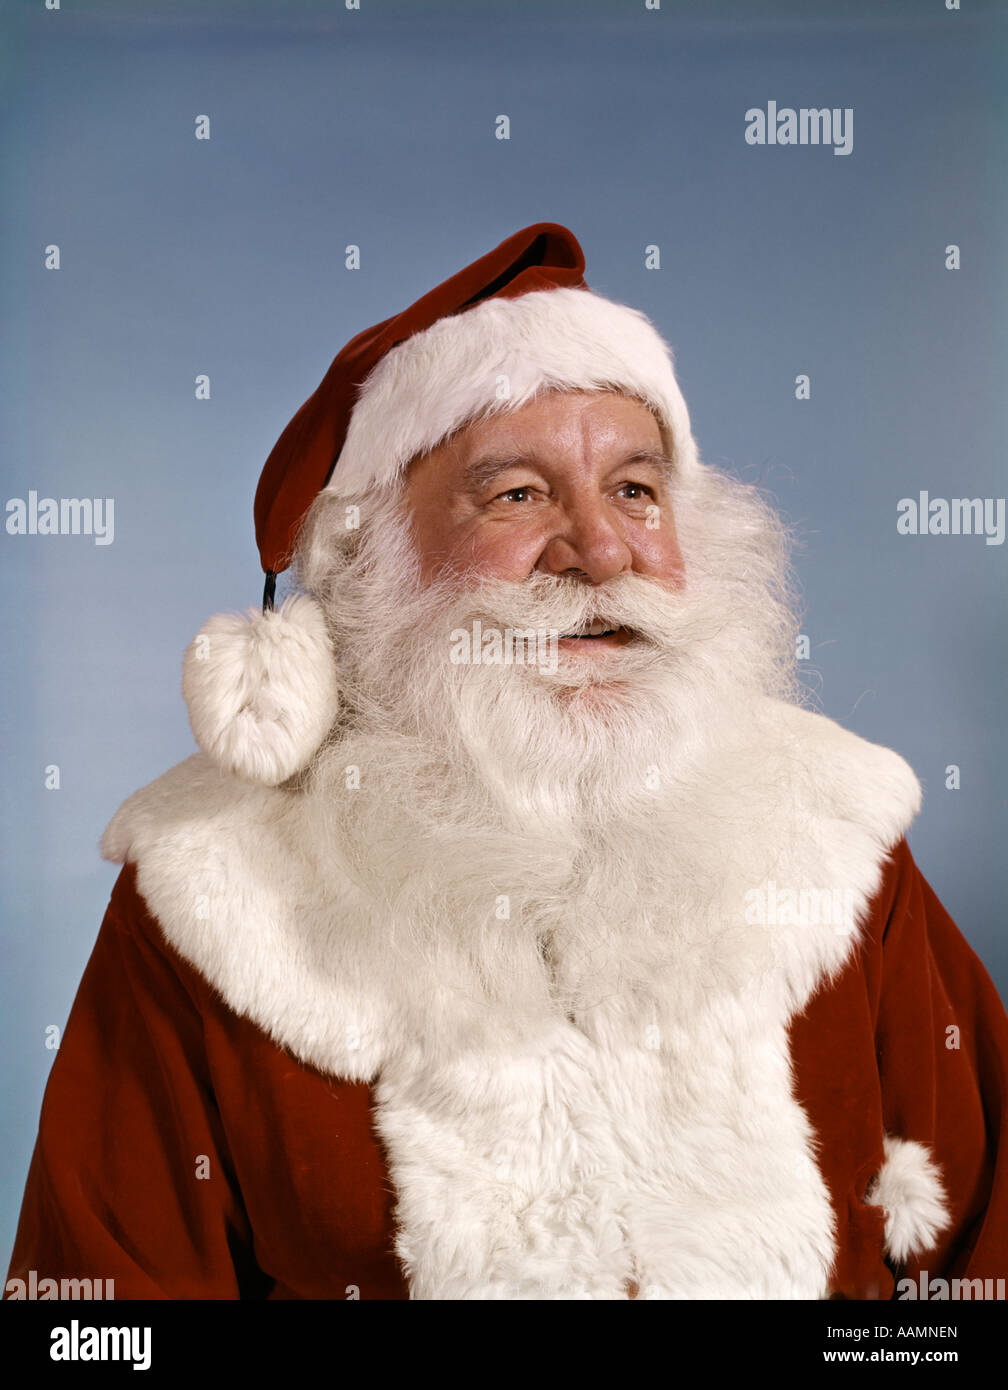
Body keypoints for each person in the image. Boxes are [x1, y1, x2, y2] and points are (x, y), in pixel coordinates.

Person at [6, 223, 1007, 1301]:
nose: (602, 550)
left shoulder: (836, 834)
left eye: (636, 489)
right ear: (374, 562)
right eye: (517, 495)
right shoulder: (206, 888)